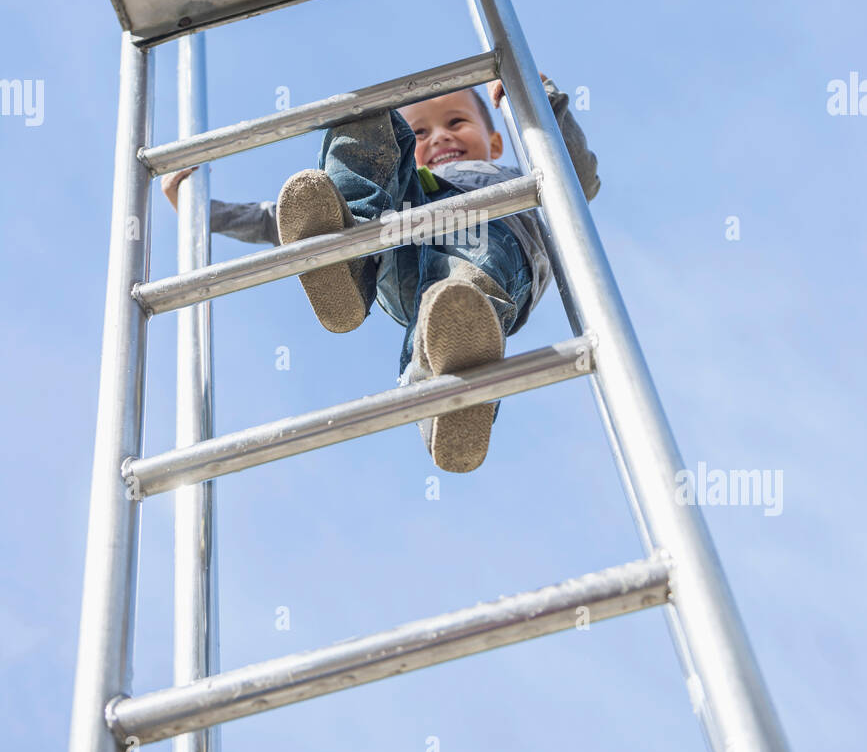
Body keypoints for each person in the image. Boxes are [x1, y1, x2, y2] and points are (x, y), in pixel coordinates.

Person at [162, 75, 600, 473]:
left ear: (495, 141)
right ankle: (346, 256)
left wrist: (544, 104)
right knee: (367, 112)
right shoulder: (403, 180)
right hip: (399, 241)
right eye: (422, 131)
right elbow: (275, 218)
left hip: (492, 242)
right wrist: (201, 212)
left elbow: (578, 177)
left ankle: (448, 393)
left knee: (459, 298)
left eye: (457, 121)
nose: (441, 135)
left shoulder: (512, 174)